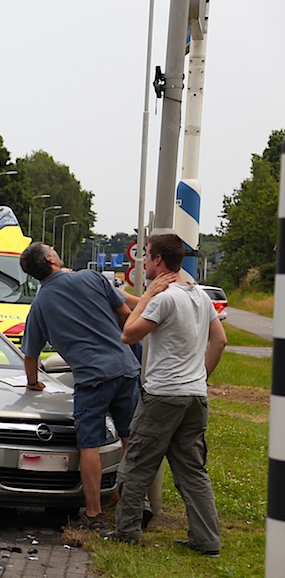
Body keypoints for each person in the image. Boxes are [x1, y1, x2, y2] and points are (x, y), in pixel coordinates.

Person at [103, 233, 226, 554]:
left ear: (158, 259)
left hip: (162, 395)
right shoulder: (200, 296)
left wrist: (144, 298)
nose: (143, 261)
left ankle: (126, 529)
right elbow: (220, 340)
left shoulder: (163, 297)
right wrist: (201, 375)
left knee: (138, 463)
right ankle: (206, 539)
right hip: (195, 396)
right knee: (192, 470)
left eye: (146, 255)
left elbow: (128, 334)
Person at [18, 242, 140, 530]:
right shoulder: (90, 277)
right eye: (51, 247)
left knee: (89, 444)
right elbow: (125, 315)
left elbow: (30, 354)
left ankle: (94, 513)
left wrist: (34, 383)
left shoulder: (40, 304)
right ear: (50, 258)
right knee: (129, 439)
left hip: (91, 377)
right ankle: (135, 502)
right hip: (125, 369)